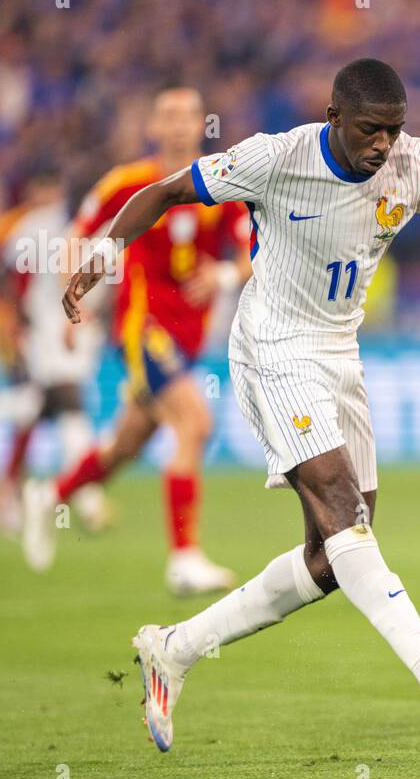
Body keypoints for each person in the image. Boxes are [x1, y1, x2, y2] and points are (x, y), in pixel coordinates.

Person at [61, 59, 420, 749]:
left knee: (333, 554)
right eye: (372, 131)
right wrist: (105, 254)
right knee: (345, 514)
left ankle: (176, 647)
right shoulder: (275, 158)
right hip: (272, 348)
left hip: (338, 354)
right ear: (335, 120)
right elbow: (167, 192)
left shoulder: (416, 166)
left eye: (395, 129)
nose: (385, 145)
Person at [22, 87, 252, 595]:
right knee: (195, 422)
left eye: (187, 115)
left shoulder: (220, 183)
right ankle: (184, 560)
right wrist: (72, 294)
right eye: (167, 115)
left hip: (189, 339)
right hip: (142, 328)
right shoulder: (129, 182)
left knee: (126, 446)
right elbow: (78, 233)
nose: (177, 124)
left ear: (201, 124)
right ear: (152, 125)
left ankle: (50, 496)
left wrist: (223, 277)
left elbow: (249, 253)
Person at [0, 168, 107, 537]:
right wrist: (8, 316)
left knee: (36, 407)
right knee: (69, 401)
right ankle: (88, 500)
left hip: (82, 331)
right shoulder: (35, 226)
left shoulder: (107, 229)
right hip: (45, 332)